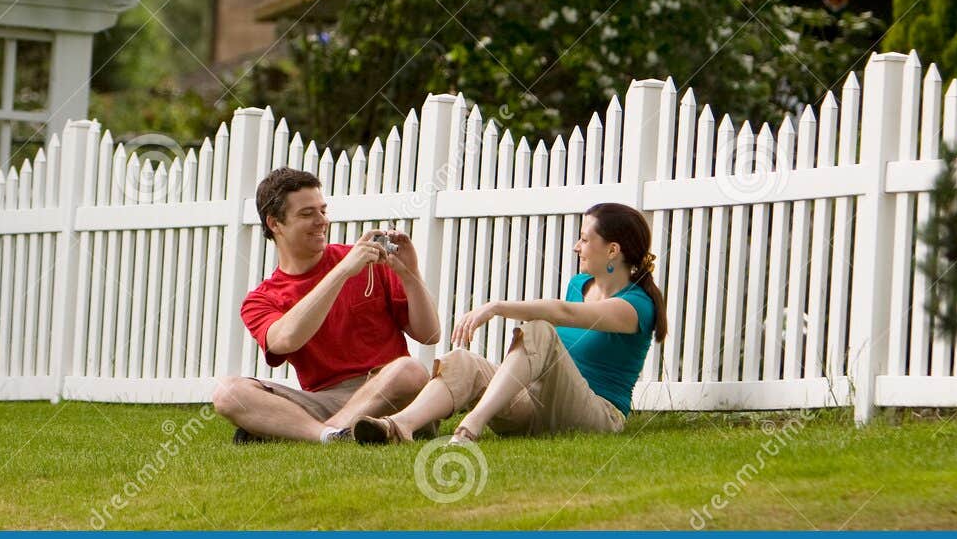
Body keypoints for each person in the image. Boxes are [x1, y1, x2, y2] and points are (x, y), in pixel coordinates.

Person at [350, 201, 667, 444]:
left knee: (540, 327)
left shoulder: (637, 306)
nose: (576, 246)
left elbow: (565, 313)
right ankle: (400, 425)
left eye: (585, 239)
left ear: (612, 250)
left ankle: (469, 427)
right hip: (537, 405)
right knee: (464, 360)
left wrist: (497, 306)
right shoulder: (579, 284)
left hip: (597, 414)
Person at [211, 167, 442, 442]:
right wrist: (343, 272)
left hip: (391, 389)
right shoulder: (261, 299)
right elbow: (285, 340)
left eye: (323, 210)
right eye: (307, 214)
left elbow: (430, 335)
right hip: (326, 398)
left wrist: (410, 274)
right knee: (228, 392)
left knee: (411, 369)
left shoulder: (367, 261)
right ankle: (329, 433)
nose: (321, 221)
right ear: (275, 224)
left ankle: (307, 430)